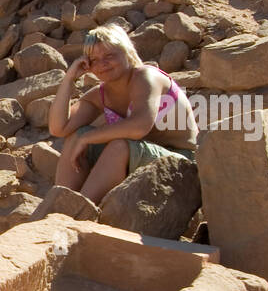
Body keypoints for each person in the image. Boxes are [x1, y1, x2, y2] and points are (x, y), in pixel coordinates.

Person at [48, 23, 200, 204]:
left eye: (109, 55)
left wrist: (89, 138)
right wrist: (69, 78)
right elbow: (59, 128)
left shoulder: (146, 76)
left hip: (183, 163)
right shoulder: (100, 94)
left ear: (127, 52)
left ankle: (78, 212)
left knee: (118, 146)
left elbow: (139, 127)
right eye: (94, 60)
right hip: (140, 158)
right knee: (75, 136)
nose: (102, 64)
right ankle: (61, 207)